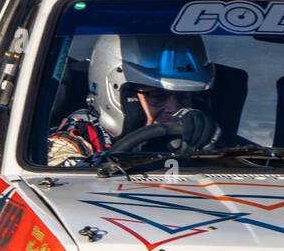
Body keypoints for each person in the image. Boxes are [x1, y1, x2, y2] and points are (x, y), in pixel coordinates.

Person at [47, 34, 220, 166]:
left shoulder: (198, 134)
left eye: (183, 97)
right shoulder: (72, 139)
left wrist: (207, 147)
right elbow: (65, 189)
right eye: (157, 96)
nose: (173, 108)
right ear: (116, 92)